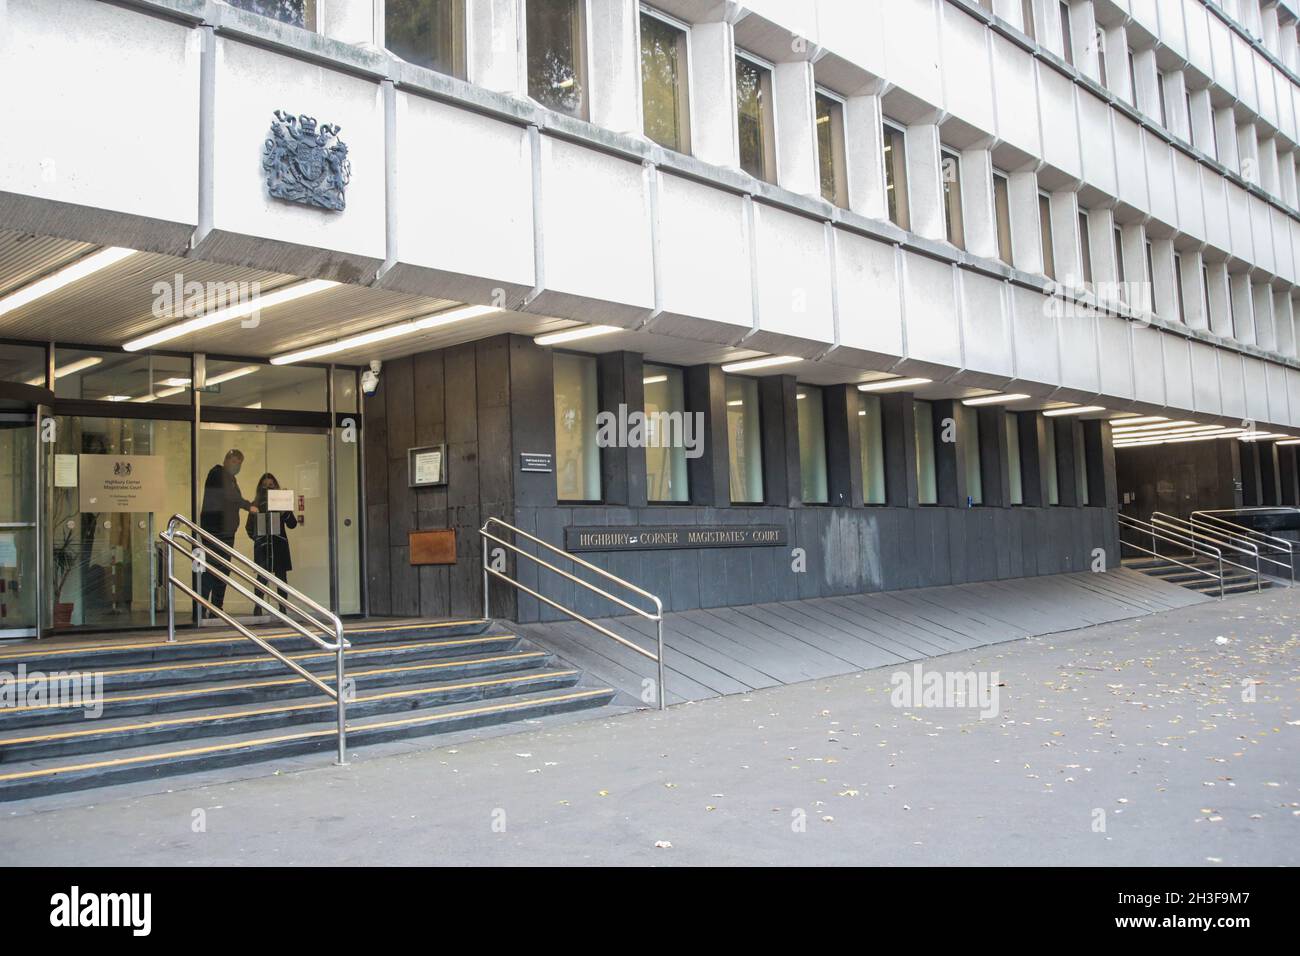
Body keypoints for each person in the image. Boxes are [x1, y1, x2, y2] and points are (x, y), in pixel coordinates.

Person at [198, 449, 257, 616]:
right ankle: (201, 610)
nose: (237, 466)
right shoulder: (217, 474)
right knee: (211, 570)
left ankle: (217, 608)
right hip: (215, 532)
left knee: (222, 571)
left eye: (239, 463)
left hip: (225, 532)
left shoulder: (231, 479)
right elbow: (229, 496)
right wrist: (248, 506)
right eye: (234, 461)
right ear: (226, 460)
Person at [246, 472, 297, 614]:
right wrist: (258, 540)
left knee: (281, 578)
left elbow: (292, 524)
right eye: (265, 486)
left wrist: (284, 512)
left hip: (279, 545)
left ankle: (283, 609)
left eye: (271, 485)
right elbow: (249, 527)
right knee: (262, 578)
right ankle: (258, 608)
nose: (268, 488)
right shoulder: (256, 503)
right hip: (264, 546)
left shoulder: (282, 502)